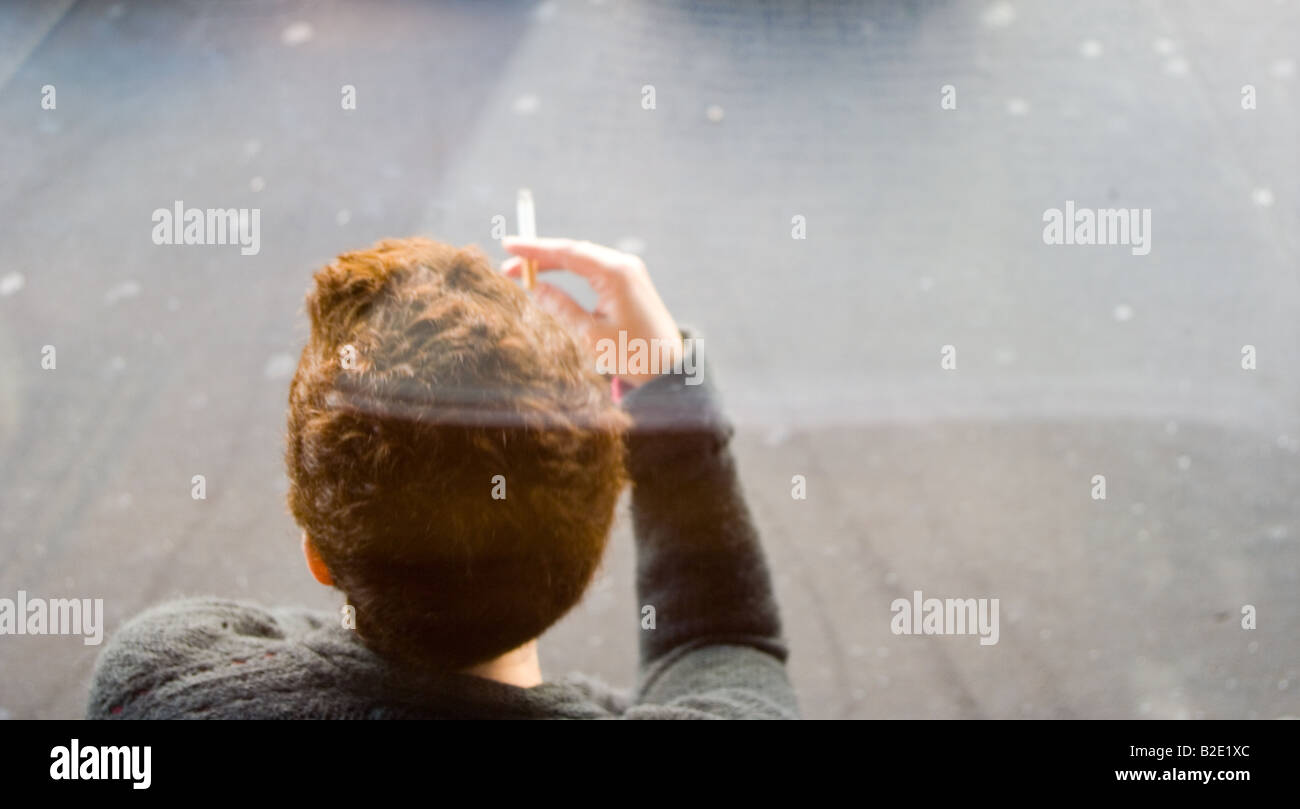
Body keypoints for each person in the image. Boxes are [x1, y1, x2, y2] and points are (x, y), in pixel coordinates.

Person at [86, 236, 797, 719]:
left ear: (317, 556)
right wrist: (669, 397)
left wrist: (387, 558)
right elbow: (723, 644)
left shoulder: (157, 683)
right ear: (586, 561)